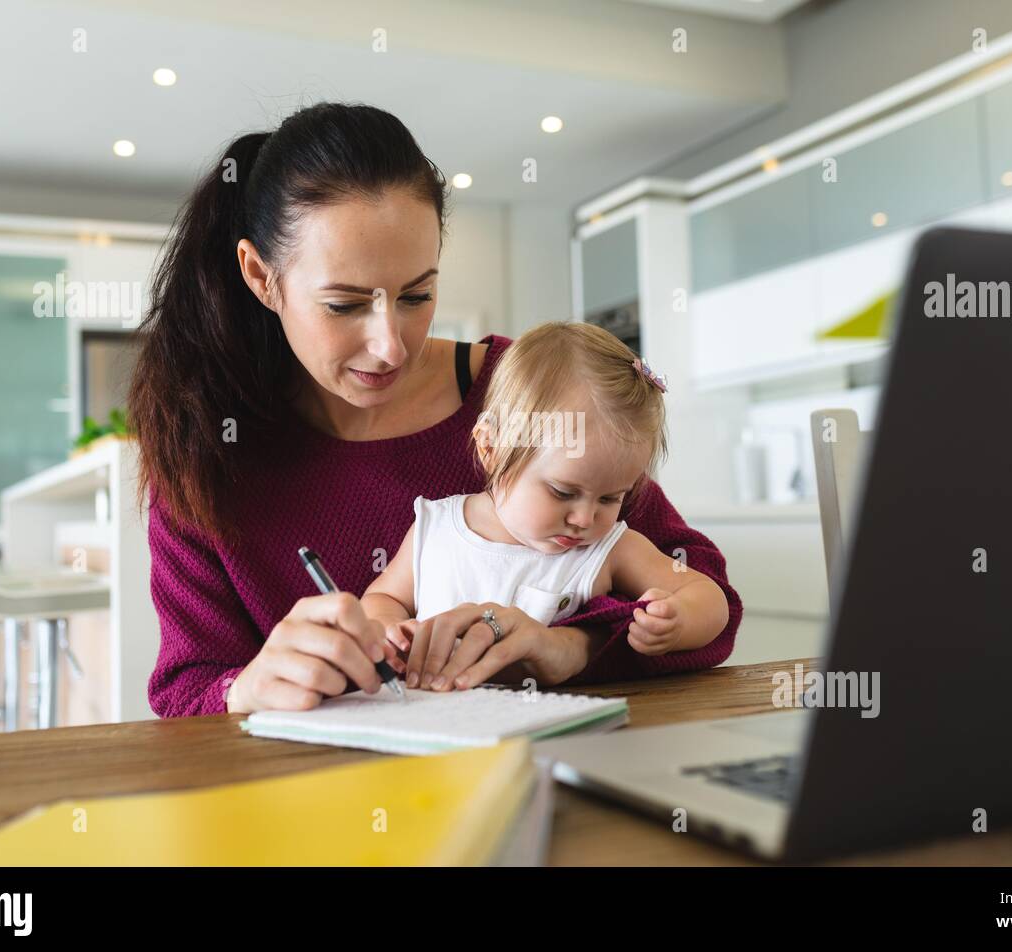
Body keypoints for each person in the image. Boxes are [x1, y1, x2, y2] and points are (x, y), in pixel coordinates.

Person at [127, 101, 743, 717]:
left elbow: (708, 602)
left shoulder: (529, 394)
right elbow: (185, 691)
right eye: (344, 305)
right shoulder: (206, 443)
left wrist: (569, 648)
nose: (390, 345)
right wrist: (247, 688)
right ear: (262, 277)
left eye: (417, 294)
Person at [362, 321, 730, 693]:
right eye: (562, 492)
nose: (584, 519)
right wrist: (390, 629)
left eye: (610, 498)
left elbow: (710, 598)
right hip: (440, 727)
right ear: (490, 448)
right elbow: (383, 598)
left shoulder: (612, 550)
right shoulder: (435, 528)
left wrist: (679, 622)